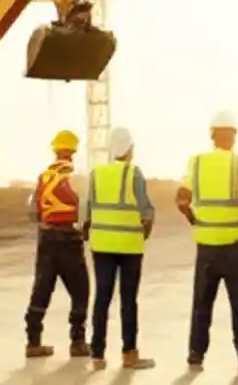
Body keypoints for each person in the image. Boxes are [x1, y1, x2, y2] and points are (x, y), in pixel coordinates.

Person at [176, 111, 238, 375]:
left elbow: (181, 199)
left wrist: (196, 220)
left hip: (206, 245)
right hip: (234, 245)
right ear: (234, 137)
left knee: (201, 303)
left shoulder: (196, 163)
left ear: (212, 136)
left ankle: (195, 355)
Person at [81, 127, 155, 371]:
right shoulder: (134, 173)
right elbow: (146, 210)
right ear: (129, 149)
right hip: (130, 247)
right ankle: (129, 354)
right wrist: (146, 231)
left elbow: (87, 210)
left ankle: (98, 355)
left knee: (102, 297)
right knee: (128, 300)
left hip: (101, 246)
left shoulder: (97, 173)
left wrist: (87, 233)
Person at [23, 130, 91, 359]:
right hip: (69, 240)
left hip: (47, 239)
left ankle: (33, 342)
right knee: (80, 291)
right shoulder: (76, 175)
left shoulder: (44, 176)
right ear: (74, 151)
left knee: (41, 290)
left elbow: (33, 211)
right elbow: (83, 206)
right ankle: (78, 342)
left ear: (55, 150)